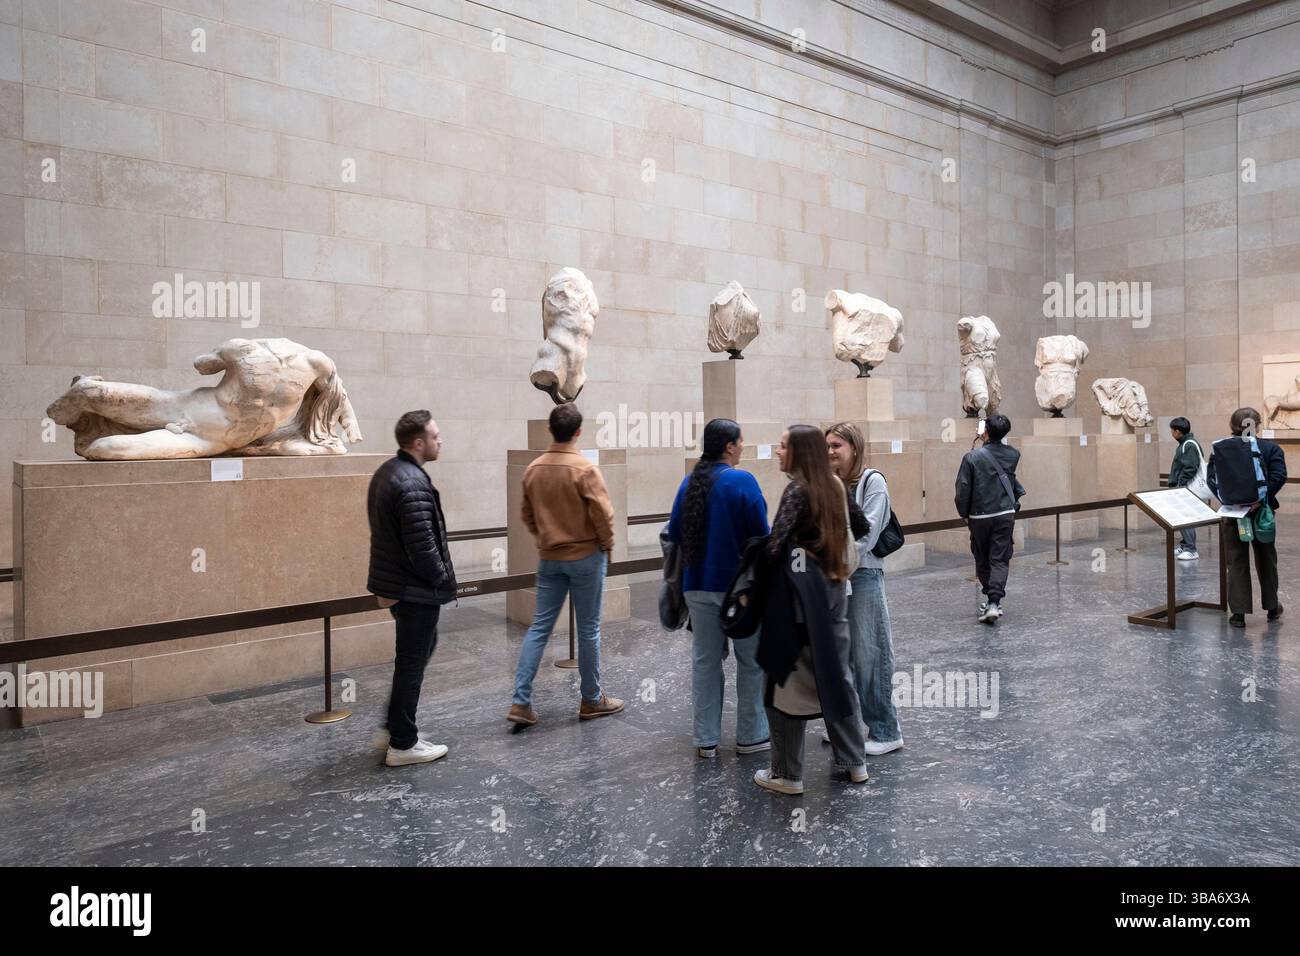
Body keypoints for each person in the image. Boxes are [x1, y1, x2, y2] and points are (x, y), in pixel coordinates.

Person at [753, 425, 870, 796]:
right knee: (837, 681)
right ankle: (855, 764)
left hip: (799, 605)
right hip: (834, 597)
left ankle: (787, 774)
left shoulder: (798, 490)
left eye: (783, 445)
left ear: (799, 452)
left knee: (783, 684)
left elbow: (775, 548)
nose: (777, 450)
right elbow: (863, 525)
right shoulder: (835, 485)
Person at [507, 403, 624, 724]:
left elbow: (527, 515)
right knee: (588, 630)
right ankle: (591, 699)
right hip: (586, 556)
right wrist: (606, 545)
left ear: (549, 429)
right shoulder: (584, 469)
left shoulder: (533, 469)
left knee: (539, 628)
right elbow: (603, 514)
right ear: (578, 432)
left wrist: (545, 535)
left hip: (549, 557)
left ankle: (521, 702)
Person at [665, 419, 771, 758]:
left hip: (696, 587)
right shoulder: (742, 481)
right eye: (740, 442)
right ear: (729, 446)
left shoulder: (689, 482)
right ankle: (751, 736)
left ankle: (705, 740)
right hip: (739, 591)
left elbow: (674, 535)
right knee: (751, 660)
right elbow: (761, 535)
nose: (742, 447)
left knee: (705, 662)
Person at [366, 410, 457, 767]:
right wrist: (443, 580)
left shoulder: (389, 471)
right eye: (435, 436)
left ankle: (394, 726)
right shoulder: (412, 482)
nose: (440, 441)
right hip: (414, 589)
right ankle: (403, 744)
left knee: (418, 650)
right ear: (418, 442)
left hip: (398, 584)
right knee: (411, 661)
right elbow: (422, 547)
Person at [825, 422, 903, 755]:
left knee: (870, 653)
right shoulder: (831, 484)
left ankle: (886, 730)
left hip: (863, 575)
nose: (830, 451)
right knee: (842, 657)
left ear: (854, 448)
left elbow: (866, 535)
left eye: (836, 445)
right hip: (834, 578)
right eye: (827, 445)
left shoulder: (873, 482)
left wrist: (837, 565)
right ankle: (849, 724)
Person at [1208, 407, 1288, 628]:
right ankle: (1272, 607)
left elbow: (1212, 480)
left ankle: (1239, 614)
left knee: (1236, 562)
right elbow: (1279, 476)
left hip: (1233, 514)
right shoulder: (1271, 448)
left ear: (1231, 426)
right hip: (1262, 513)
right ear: (1258, 424)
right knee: (1266, 560)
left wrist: (1231, 500)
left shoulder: (1219, 449)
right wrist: (1258, 499)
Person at [955, 414, 1025, 624]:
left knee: (982, 557)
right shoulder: (1013, 454)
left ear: (984, 431)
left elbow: (963, 489)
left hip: (980, 515)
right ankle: (994, 601)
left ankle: (992, 600)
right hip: (1004, 514)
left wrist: (963, 513)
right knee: (999, 558)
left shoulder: (972, 458)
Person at [1169, 416, 1204, 560]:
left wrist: (1180, 485)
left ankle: (1191, 549)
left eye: (1172, 430)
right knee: (1182, 517)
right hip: (1185, 487)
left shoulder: (1188, 445)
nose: (1171, 433)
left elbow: (1190, 467)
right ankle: (1185, 545)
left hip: (1186, 488)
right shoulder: (1186, 443)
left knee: (1185, 517)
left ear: (1178, 431)